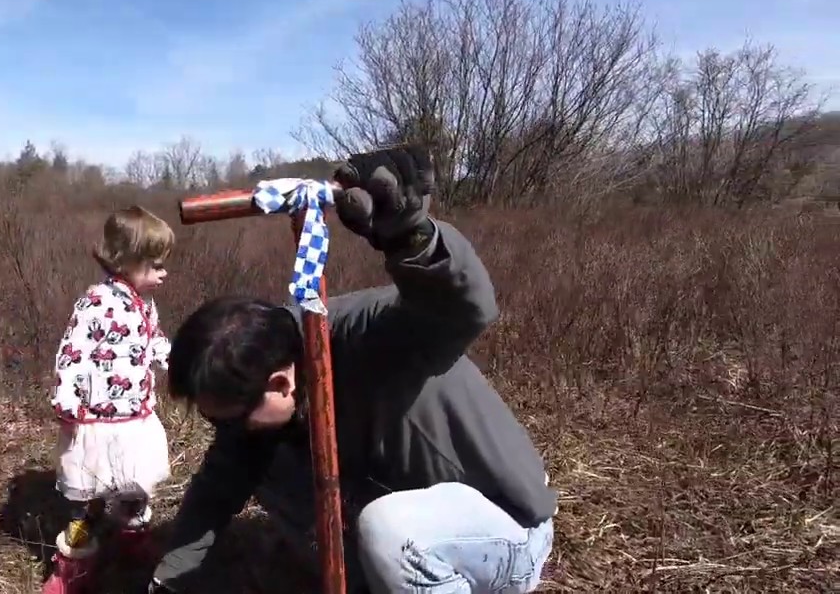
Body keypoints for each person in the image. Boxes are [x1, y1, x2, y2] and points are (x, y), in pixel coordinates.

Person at [145, 144, 558, 594]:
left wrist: (411, 238)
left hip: (504, 526)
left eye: (225, 417)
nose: (223, 429)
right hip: (404, 514)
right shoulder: (262, 376)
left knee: (389, 528)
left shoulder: (369, 333)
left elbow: (464, 307)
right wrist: (168, 578)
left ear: (281, 382)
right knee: (264, 466)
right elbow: (217, 488)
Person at [43, 206, 176, 594]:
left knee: (134, 485)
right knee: (84, 493)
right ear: (127, 261)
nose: (163, 273)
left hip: (135, 417)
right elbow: (73, 352)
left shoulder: (144, 302)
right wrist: (67, 397)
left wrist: (180, 363)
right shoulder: (96, 302)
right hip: (96, 419)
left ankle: (133, 538)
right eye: (155, 265)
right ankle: (74, 563)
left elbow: (154, 342)